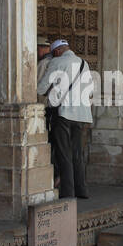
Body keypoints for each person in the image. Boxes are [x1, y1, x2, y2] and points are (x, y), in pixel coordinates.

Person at [36, 38, 92, 199]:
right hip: (82, 115)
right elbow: (89, 90)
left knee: (63, 153)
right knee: (76, 153)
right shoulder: (84, 63)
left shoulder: (57, 62)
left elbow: (41, 88)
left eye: (54, 53)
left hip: (64, 113)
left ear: (58, 51)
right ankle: (82, 190)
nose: (53, 56)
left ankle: (68, 192)